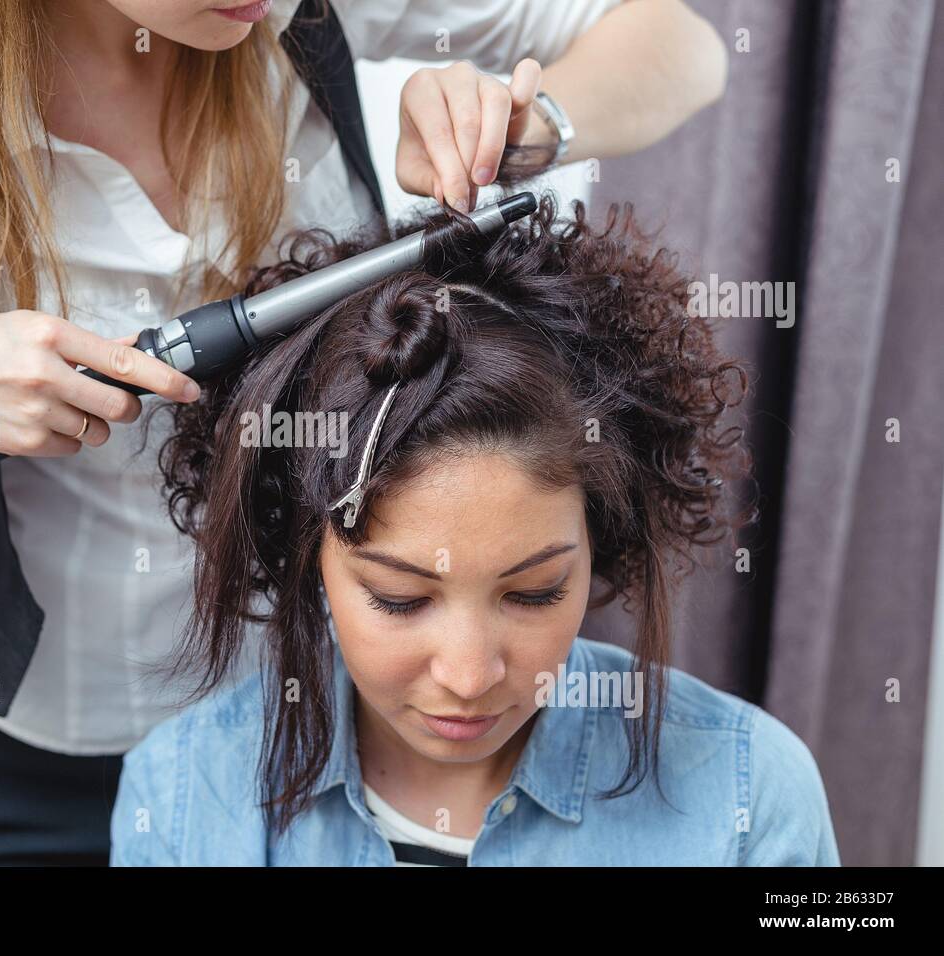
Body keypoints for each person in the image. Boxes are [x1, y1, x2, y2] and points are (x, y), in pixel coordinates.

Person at [0, 0, 729, 865]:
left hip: (291, 744)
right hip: (11, 758)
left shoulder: (299, 15)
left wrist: (531, 122)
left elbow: (681, 43)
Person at [109, 192, 841, 866]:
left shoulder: (749, 796)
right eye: (400, 598)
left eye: (535, 592)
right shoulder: (184, 798)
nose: (468, 678)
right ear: (305, 553)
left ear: (599, 537)